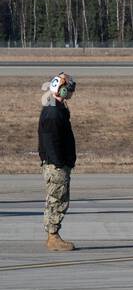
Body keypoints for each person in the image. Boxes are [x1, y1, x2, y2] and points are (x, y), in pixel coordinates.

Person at [38, 72, 77, 251]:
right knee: (57, 199)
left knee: (56, 199)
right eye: (68, 89)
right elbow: (50, 141)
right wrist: (59, 164)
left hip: (58, 163)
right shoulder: (53, 112)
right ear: (60, 89)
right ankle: (53, 237)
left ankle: (53, 235)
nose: (71, 92)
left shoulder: (56, 107)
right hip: (56, 166)